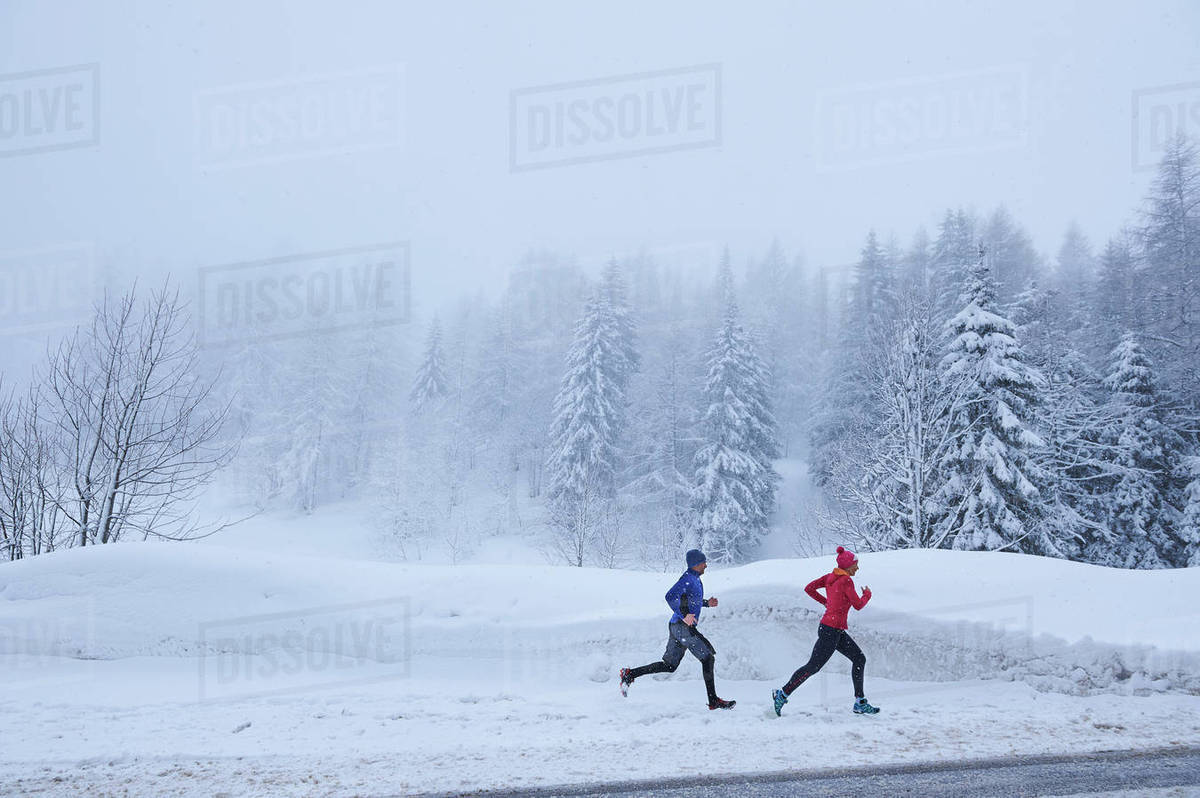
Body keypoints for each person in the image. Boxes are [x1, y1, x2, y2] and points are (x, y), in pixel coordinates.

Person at [619, 549, 735, 710]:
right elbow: (670, 596)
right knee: (708, 657)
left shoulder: (694, 579)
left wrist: (707, 603)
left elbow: (690, 599)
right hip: (682, 627)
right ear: (695, 564)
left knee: (669, 666)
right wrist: (684, 615)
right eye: (703, 563)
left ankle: (630, 674)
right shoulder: (688, 578)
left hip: (677, 627)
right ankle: (713, 700)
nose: (706, 565)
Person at [772, 546, 879, 716]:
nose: (857, 568)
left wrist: (826, 602)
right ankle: (782, 693)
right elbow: (858, 605)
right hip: (831, 631)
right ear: (847, 566)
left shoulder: (830, 577)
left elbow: (809, 588)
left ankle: (860, 702)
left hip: (833, 630)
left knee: (859, 658)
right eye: (855, 565)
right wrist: (867, 595)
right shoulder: (846, 581)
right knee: (813, 667)